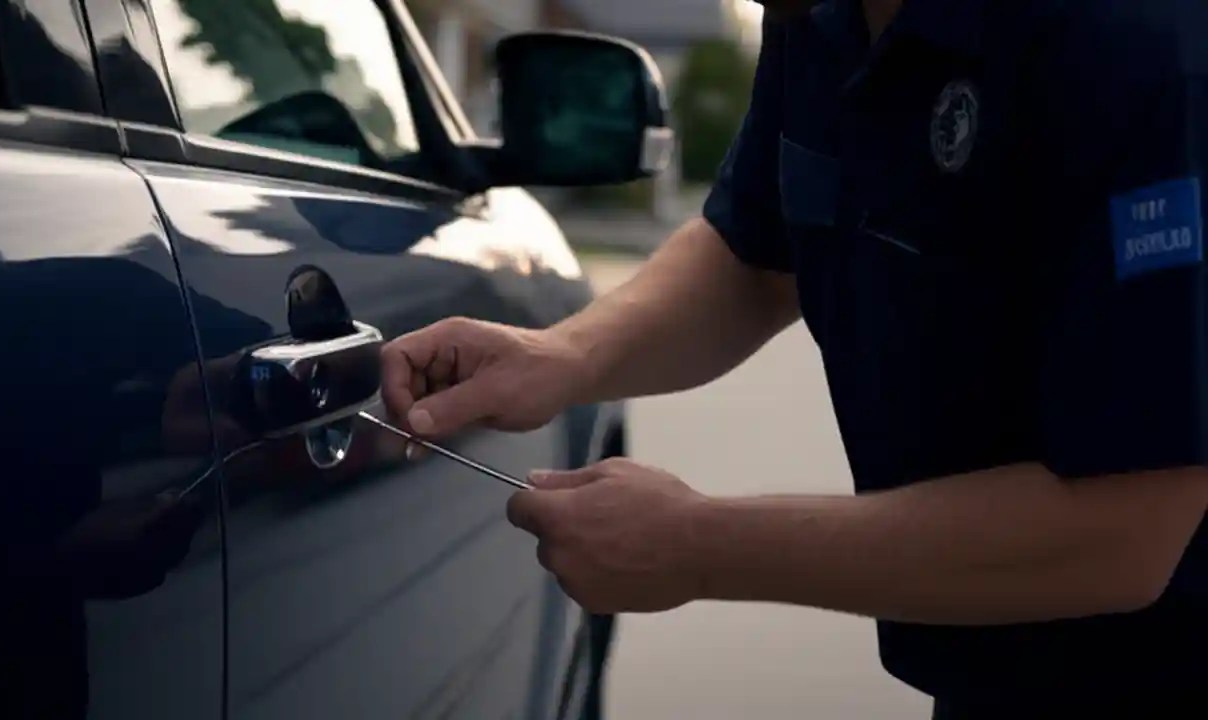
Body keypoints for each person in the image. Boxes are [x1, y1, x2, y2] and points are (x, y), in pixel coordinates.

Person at [381, 0, 1208, 715]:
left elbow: (1126, 527)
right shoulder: (817, 22)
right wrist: (560, 357)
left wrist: (700, 545)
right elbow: (757, 250)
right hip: (1000, 668)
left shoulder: (1141, 46)